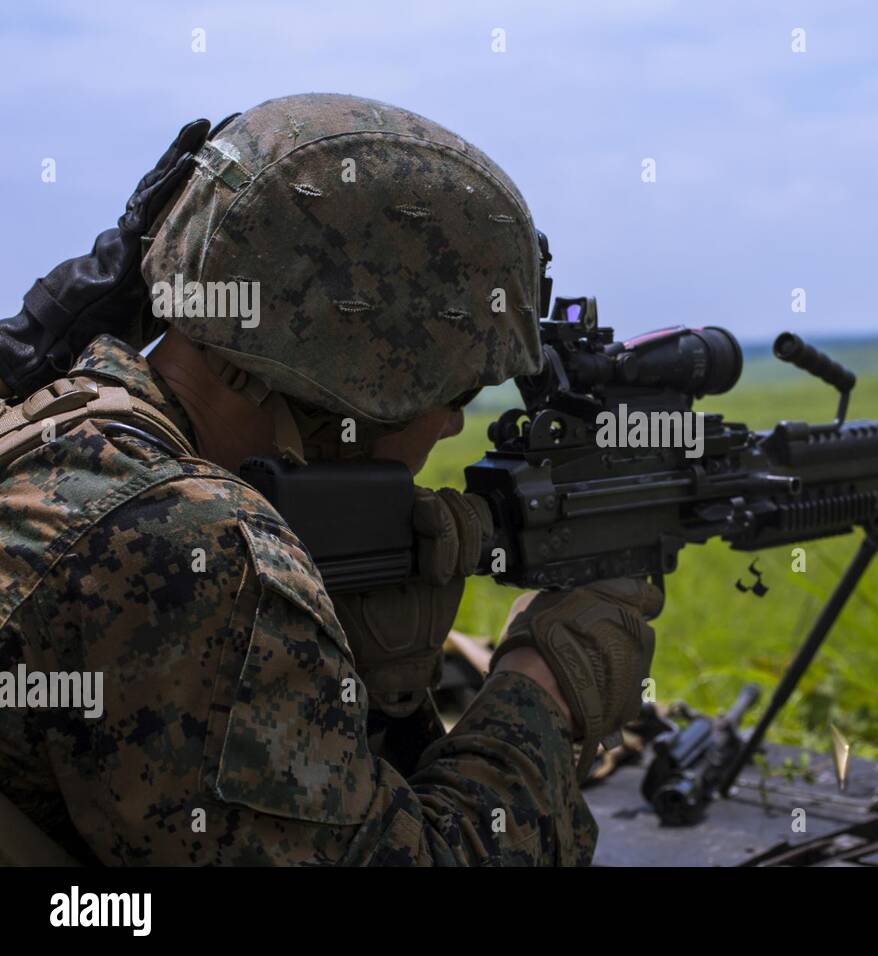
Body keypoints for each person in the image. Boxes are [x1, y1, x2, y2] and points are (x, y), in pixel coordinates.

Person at [0, 93, 659, 866]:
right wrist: (543, 686)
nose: (451, 426)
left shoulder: (49, 423)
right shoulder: (193, 547)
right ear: (347, 384)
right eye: (454, 395)